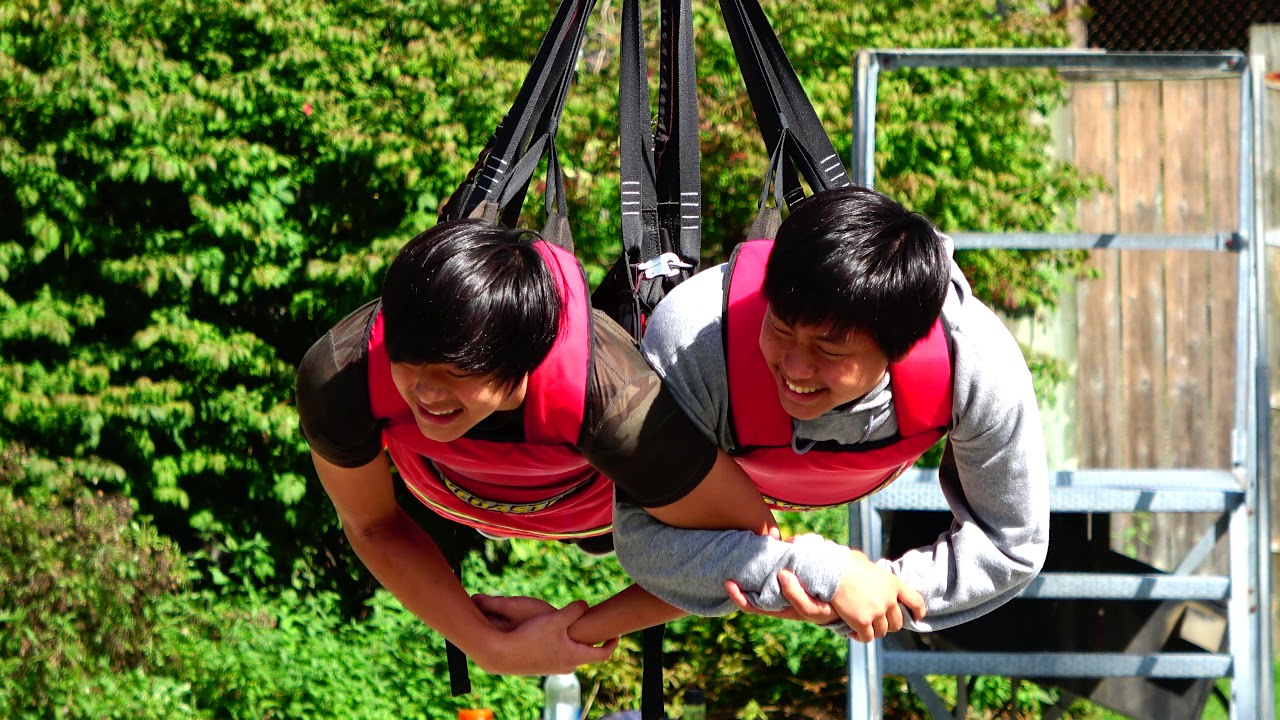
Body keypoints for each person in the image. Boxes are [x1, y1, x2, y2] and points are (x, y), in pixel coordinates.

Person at [296, 219, 775, 676]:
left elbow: (752, 547)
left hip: (601, 508)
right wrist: (487, 645)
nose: (428, 394)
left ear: (522, 368)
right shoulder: (341, 374)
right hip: (447, 494)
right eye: (410, 366)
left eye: (456, 376)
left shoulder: (616, 404)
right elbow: (372, 524)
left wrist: (579, 629)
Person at [612, 185, 1050, 642]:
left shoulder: (977, 362)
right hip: (677, 478)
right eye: (780, 329)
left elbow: (1013, 544)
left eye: (828, 349)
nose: (796, 368)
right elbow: (641, 540)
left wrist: (880, 595)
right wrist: (824, 575)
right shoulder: (693, 341)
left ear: (898, 349)